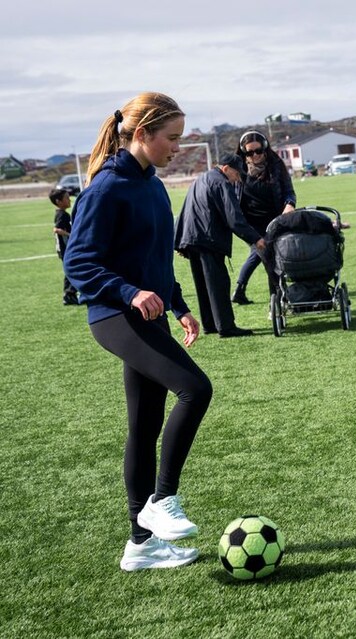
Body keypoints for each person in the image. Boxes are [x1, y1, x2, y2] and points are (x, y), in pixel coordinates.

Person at [63, 93, 212, 572]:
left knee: (144, 426)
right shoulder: (106, 188)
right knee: (195, 389)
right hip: (113, 316)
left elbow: (156, 261)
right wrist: (128, 292)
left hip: (148, 313)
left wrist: (179, 304)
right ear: (142, 134)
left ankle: (140, 545)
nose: (177, 148)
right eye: (171, 138)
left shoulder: (152, 185)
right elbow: (78, 263)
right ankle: (161, 501)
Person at [175, 153, 265, 338]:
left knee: (203, 284)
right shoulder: (221, 182)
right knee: (218, 283)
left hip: (193, 239)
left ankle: (210, 324)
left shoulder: (201, 179)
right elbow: (234, 219)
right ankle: (226, 326)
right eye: (237, 174)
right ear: (226, 169)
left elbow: (184, 210)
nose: (237, 178)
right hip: (209, 240)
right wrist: (256, 239)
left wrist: (180, 243)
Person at [231, 130, 296, 305]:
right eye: (249, 152)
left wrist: (290, 203)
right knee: (266, 255)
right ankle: (277, 299)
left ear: (265, 148)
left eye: (258, 151)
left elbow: (288, 190)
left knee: (266, 256)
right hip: (251, 224)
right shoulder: (238, 170)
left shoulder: (276, 165)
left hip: (275, 220)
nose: (255, 156)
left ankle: (243, 290)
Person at [51, 187, 79, 305]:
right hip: (66, 248)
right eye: (67, 198)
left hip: (65, 248)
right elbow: (57, 229)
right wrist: (71, 234)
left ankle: (69, 294)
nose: (69, 200)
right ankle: (69, 293)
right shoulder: (62, 215)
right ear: (59, 201)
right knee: (74, 270)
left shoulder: (62, 214)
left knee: (71, 270)